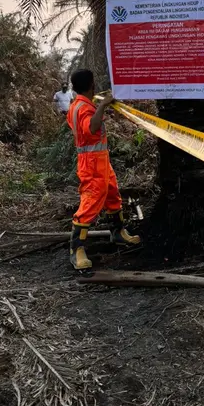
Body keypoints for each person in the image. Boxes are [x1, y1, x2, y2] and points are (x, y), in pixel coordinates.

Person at [67, 69, 141, 270]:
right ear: (92, 85)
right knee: (91, 201)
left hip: (100, 160)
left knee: (112, 195)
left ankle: (118, 233)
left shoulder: (79, 105)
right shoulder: (83, 107)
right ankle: (77, 249)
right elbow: (91, 128)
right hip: (91, 164)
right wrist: (102, 106)